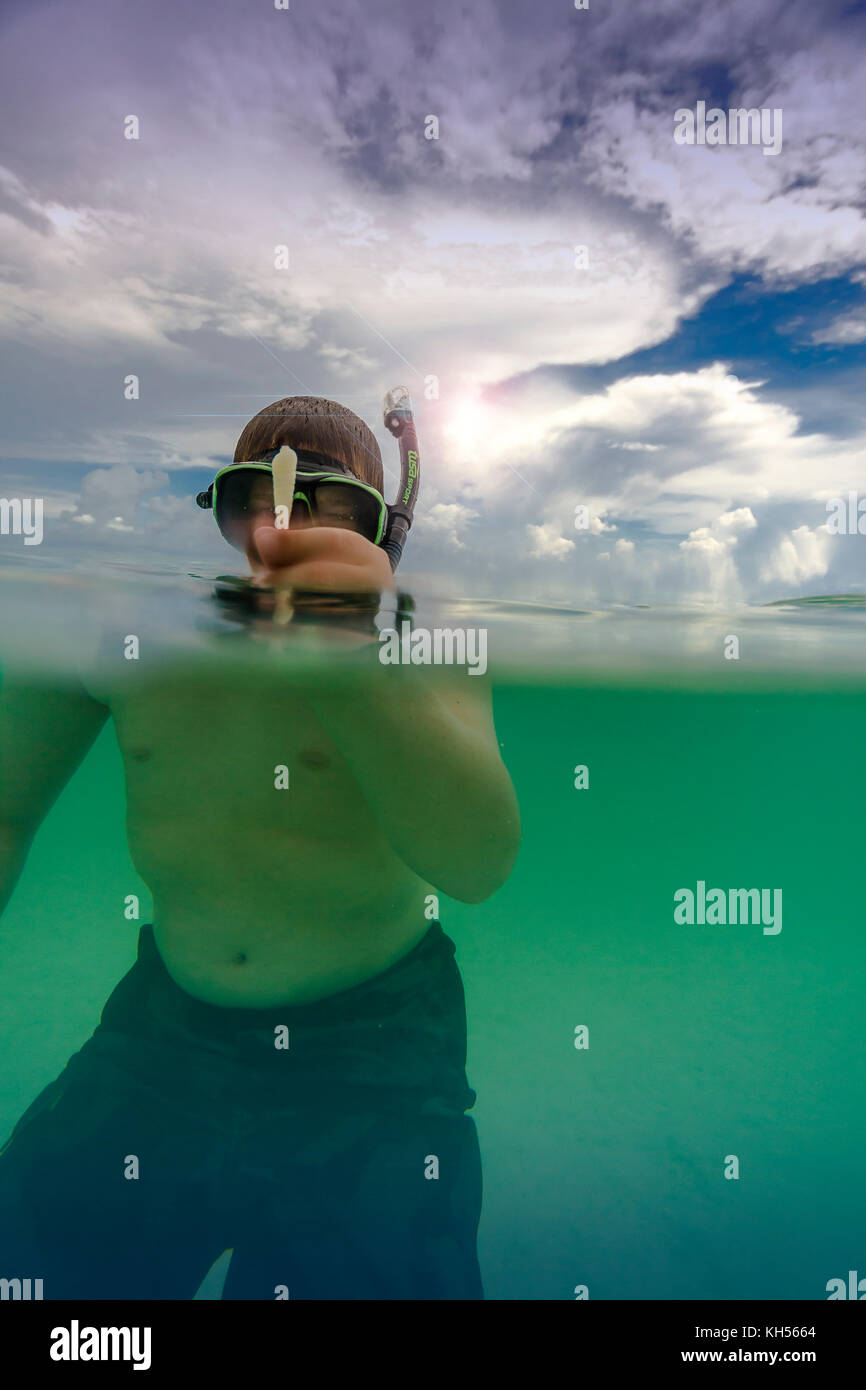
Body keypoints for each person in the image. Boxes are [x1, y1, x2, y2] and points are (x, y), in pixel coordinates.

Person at [0, 395, 520, 1300]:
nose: (288, 527)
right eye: (259, 498)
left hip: (382, 1058)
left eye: (333, 506)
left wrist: (352, 658)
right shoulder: (132, 635)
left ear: (382, 527)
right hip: (162, 1035)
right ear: (225, 509)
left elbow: (477, 865)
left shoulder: (427, 641)